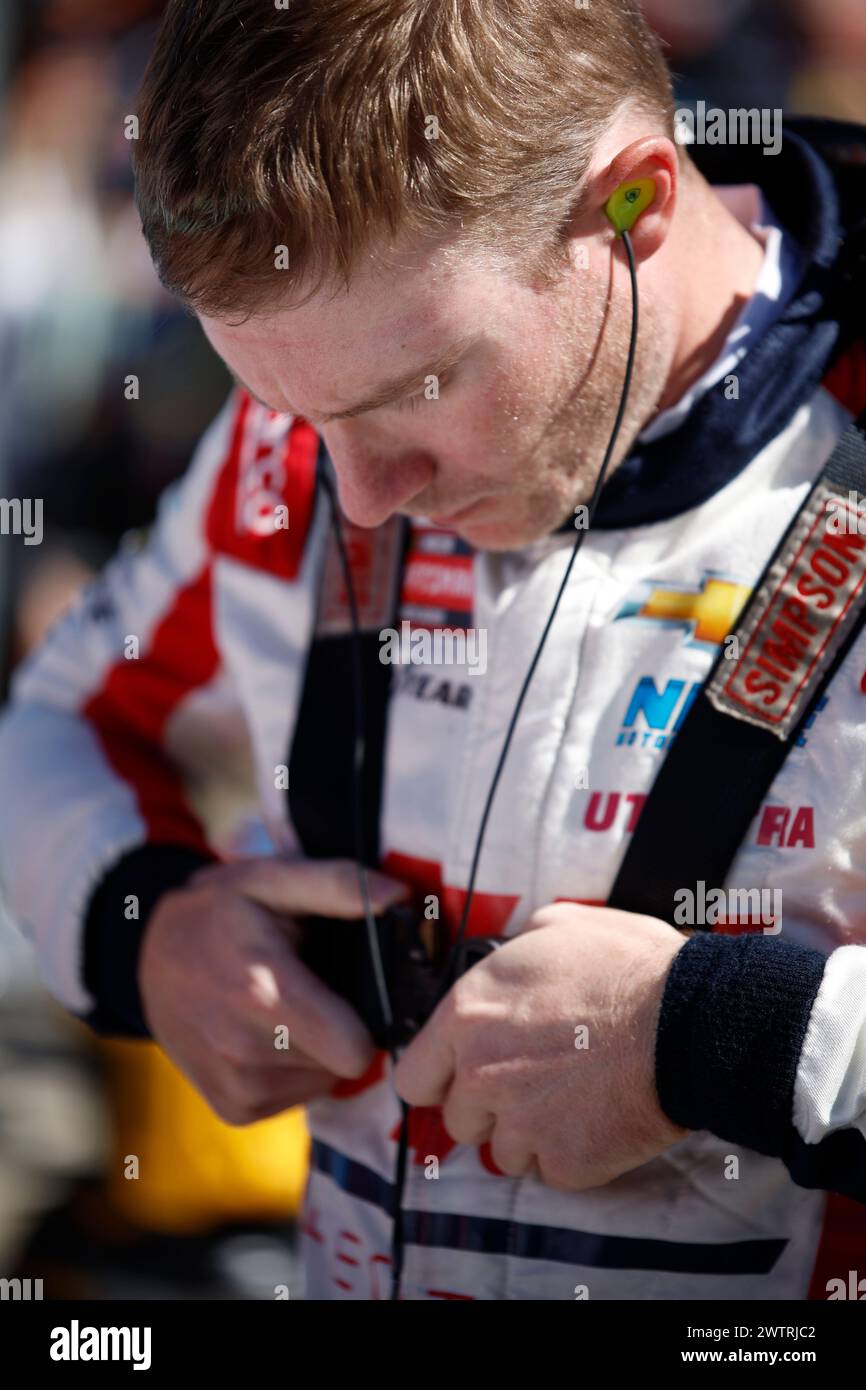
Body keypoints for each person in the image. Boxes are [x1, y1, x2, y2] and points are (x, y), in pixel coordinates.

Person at [1, 0, 865, 1301]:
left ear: (629, 207)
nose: (351, 495)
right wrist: (151, 924)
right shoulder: (307, 437)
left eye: (414, 389)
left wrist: (712, 1037)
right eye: (286, 405)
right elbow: (59, 718)